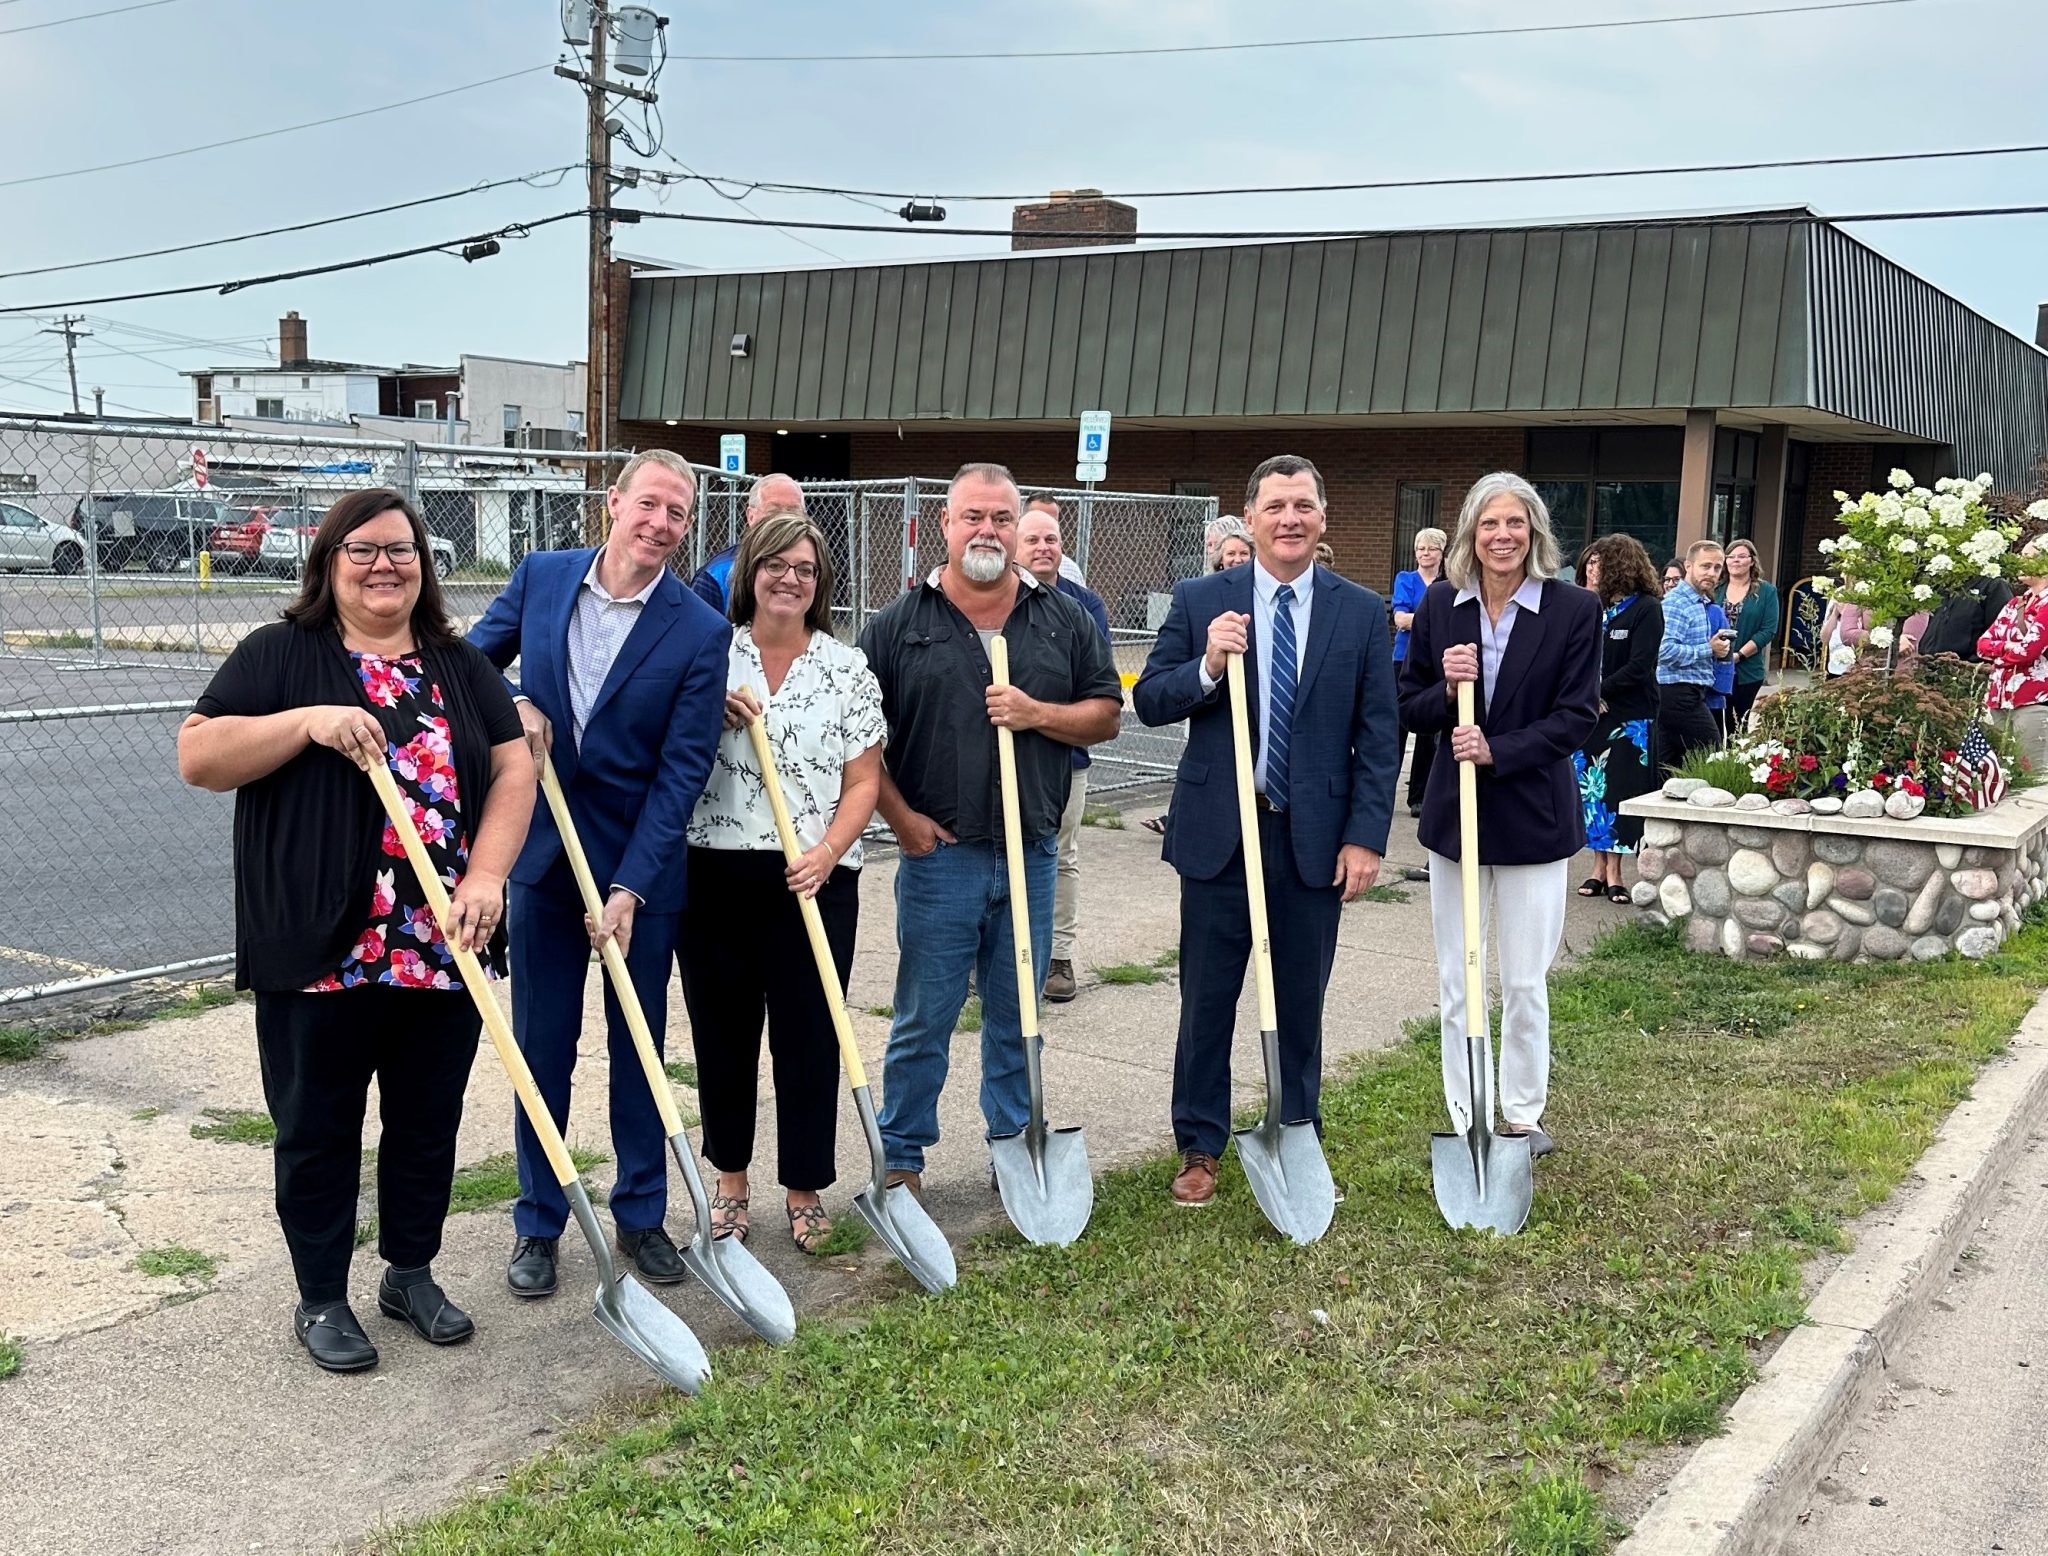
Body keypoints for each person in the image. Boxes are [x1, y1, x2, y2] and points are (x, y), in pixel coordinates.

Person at [177, 489, 532, 1373]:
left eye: (402, 550)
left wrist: (486, 874)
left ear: (425, 564)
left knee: (426, 1122)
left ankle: (409, 1272)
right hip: (318, 949)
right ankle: (321, 1296)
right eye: (362, 551)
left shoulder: (455, 663)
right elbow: (198, 755)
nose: (385, 566)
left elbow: (514, 767)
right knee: (317, 1125)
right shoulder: (281, 655)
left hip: (438, 942)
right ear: (329, 563)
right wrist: (306, 723)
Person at [467, 449, 731, 1299]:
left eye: (678, 514)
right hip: (541, 860)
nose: (660, 524)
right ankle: (539, 1224)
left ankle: (642, 1216)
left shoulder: (698, 630)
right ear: (613, 503)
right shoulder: (543, 579)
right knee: (542, 1046)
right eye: (649, 504)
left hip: (639, 871)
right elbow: (469, 664)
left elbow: (682, 772)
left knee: (639, 1050)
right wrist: (511, 703)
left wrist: (630, 888)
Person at [1134, 454, 1400, 1208]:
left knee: (1299, 1000)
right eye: (1276, 506)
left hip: (1313, 837)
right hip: (1222, 834)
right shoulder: (1201, 599)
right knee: (1208, 1000)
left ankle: (1294, 1128)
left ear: (1322, 520)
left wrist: (1366, 836)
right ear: (1248, 518)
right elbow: (1152, 699)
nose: (1291, 519)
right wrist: (1210, 665)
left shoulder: (1358, 611)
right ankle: (1199, 1145)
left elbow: (1380, 735)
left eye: (1304, 506)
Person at [859, 463, 1123, 1197]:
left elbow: (1104, 713)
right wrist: (903, 821)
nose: (987, 531)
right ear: (944, 526)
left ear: (1018, 529)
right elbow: (858, 744)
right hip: (941, 858)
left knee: (1018, 1013)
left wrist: (1037, 713)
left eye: (1001, 519)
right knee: (924, 1017)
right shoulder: (899, 624)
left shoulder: (1061, 617)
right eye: (972, 516)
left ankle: (1014, 1139)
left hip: (1031, 853)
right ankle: (903, 1154)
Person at [679, 511, 884, 1253]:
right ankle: (730, 1184)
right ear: (748, 574)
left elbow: (864, 778)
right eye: (775, 565)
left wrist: (829, 851)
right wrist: (710, 717)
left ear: (819, 582)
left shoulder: (844, 666)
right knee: (723, 1034)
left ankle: (804, 1190)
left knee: (809, 1038)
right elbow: (669, 758)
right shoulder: (708, 656)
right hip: (714, 871)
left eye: (804, 568)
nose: (789, 579)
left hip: (813, 879)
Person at [1398, 472, 1601, 1161]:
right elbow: (1406, 705)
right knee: (1459, 976)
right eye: (1489, 524)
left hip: (1533, 818)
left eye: (1515, 523)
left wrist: (1497, 749)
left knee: (1521, 978)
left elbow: (1577, 717)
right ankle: (1467, 1112)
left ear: (1535, 532)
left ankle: (1520, 1112)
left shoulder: (1574, 610)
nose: (1503, 536)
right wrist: (1446, 688)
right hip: (1456, 819)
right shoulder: (1439, 606)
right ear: (1469, 535)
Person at [1017, 499, 1113, 1005]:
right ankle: (990, 954)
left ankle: (1058, 956)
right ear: (1014, 546)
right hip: (1003, 757)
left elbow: (1094, 684)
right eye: (1031, 539)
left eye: (1051, 539)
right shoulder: (997, 601)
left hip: (1066, 759)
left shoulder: (1083, 606)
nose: (1043, 547)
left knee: (1061, 853)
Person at [1570, 534, 1663, 904]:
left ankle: (1616, 872)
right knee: (1593, 791)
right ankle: (1596, 868)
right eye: (1588, 562)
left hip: (1629, 715)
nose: (1591, 569)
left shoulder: (1646, 609)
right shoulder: (1587, 607)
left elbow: (1640, 666)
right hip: (1590, 713)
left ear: (1621, 566)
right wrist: (1586, 695)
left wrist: (1599, 691)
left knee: (1621, 791)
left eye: (1599, 562)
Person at [1655, 540, 1730, 774]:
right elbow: (1663, 651)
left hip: (1687, 690)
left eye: (1717, 568)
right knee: (1712, 753)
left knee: (1670, 762)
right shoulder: (1677, 603)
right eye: (1705, 566)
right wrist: (1709, 649)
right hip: (1676, 691)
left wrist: (1718, 650)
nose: (1711, 573)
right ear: (1688, 566)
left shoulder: (1700, 602)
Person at [1978, 540, 2048, 775]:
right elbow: (1982, 645)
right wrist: (2009, 648)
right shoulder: (2015, 604)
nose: (2019, 561)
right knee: (2002, 773)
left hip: (2034, 700)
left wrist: (1999, 650)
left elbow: (2029, 650)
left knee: (2033, 775)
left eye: (2027, 556)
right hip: (2000, 698)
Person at [1391, 527, 1447, 818]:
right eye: (1421, 549)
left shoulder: (1446, 583)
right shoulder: (1406, 579)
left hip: (1434, 661)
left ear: (1441, 552)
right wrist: (1430, 622)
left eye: (1431, 549)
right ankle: (1386, 791)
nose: (1425, 554)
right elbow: (1400, 619)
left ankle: (1419, 796)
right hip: (1403, 658)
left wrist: (1421, 622)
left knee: (1428, 729)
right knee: (1397, 727)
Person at [692, 472, 805, 613]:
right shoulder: (716, 576)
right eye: (773, 511)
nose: (783, 519)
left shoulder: (813, 570)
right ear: (751, 516)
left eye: (793, 511)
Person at [1717, 538, 1780, 730]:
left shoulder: (1766, 591)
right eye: (1731, 556)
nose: (1736, 561)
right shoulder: (1715, 589)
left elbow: (1768, 630)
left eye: (1742, 556)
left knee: (1738, 725)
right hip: (1714, 666)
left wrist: (1739, 655)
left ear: (1752, 561)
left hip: (1747, 670)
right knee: (1717, 723)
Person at [1906, 570, 2012, 663]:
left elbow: (2002, 634)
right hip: (1930, 664)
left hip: (1965, 670)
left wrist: (1973, 664)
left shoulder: (1994, 585)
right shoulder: (1945, 584)